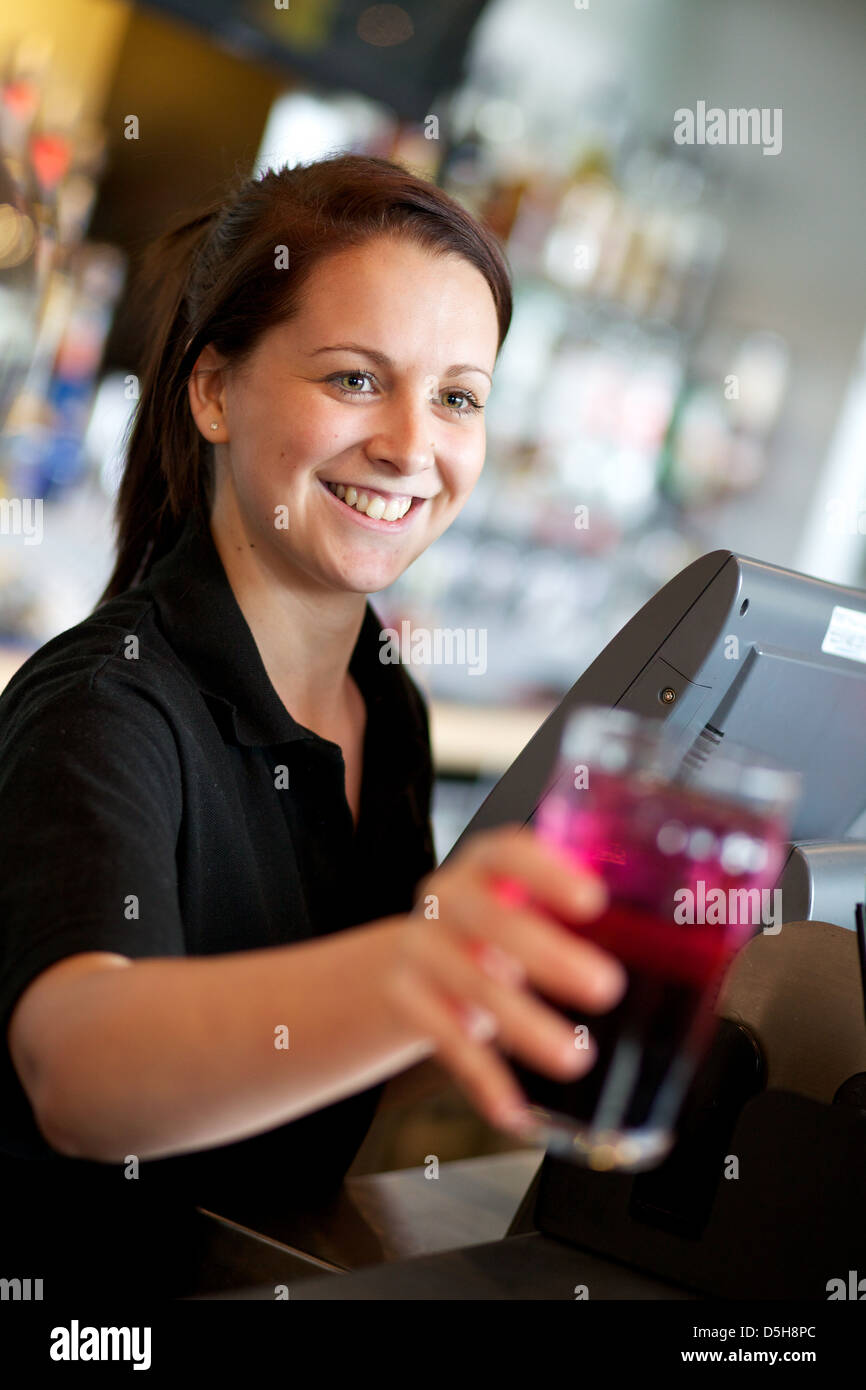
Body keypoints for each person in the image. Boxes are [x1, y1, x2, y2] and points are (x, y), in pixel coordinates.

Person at [0, 154, 626, 1301]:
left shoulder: (384, 707)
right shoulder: (107, 704)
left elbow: (320, 1082)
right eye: (352, 378)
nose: (408, 444)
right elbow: (77, 1068)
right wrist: (417, 968)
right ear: (213, 390)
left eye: (456, 397)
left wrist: (516, 1005)